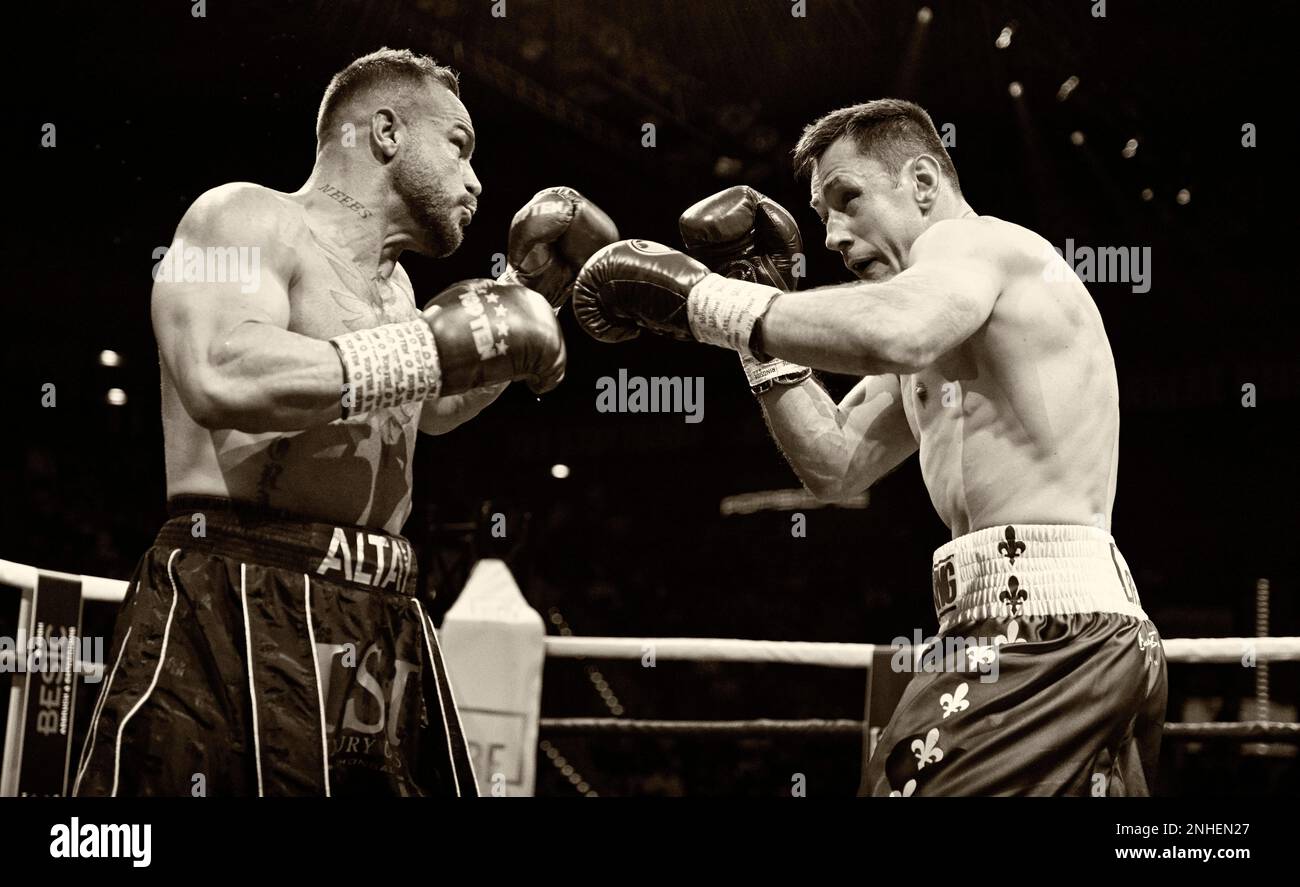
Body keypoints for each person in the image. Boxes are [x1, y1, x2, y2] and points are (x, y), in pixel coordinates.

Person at [570, 98, 1166, 796]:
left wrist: (709, 302)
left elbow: (895, 331)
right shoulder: (937, 330)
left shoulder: (974, 246)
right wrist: (752, 338)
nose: (831, 235)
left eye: (849, 199)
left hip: (1045, 632)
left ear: (921, 182)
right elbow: (834, 461)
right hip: (1042, 629)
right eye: (822, 214)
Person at [73, 47, 616, 797]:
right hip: (241, 587)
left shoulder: (397, 291)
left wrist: (525, 302)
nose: (477, 180)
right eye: (459, 146)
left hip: (379, 614)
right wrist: (433, 340)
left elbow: (427, 409)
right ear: (386, 133)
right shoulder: (244, 215)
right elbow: (220, 369)